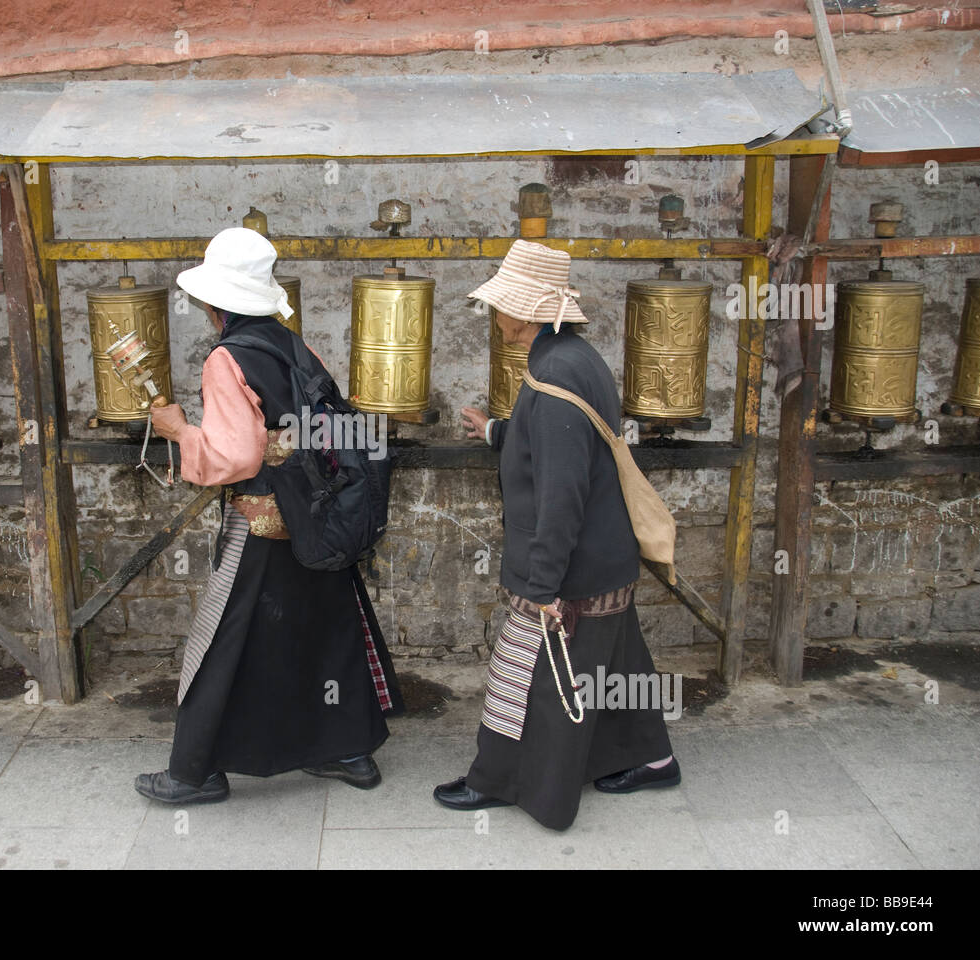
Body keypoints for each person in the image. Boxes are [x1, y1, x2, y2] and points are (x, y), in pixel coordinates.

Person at [135, 227, 403, 804]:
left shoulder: (227, 357)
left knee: (221, 637)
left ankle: (192, 772)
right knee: (328, 629)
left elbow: (237, 454)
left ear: (215, 303)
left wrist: (180, 431)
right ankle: (348, 750)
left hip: (262, 522)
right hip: (317, 516)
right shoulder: (295, 346)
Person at [434, 240, 680, 830]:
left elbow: (561, 492)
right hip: (606, 554)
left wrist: (542, 586)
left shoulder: (553, 378)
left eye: (502, 303)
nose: (496, 314)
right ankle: (653, 757)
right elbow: (560, 442)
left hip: (572, 568)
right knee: (618, 665)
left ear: (527, 310)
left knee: (531, 681)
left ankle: (503, 779)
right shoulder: (571, 359)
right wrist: (497, 431)